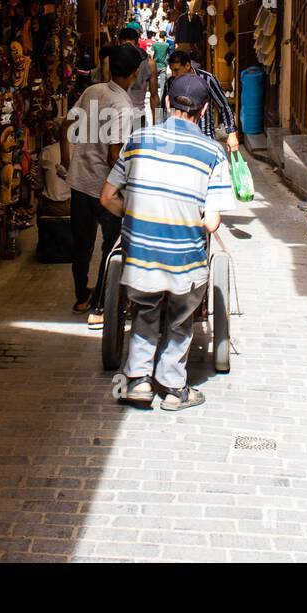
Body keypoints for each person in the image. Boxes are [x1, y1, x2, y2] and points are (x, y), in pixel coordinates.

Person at [100, 73, 236, 411]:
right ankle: (174, 387)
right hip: (183, 264)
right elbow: (212, 221)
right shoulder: (213, 152)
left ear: (166, 103)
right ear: (204, 110)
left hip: (140, 258)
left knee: (145, 310)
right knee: (180, 317)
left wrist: (136, 215)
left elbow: (107, 197)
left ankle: (138, 382)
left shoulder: (138, 139)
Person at [62, 43, 145, 315]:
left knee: (82, 244)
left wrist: (67, 159)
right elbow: (114, 155)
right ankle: (99, 301)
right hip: (104, 186)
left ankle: (80, 297)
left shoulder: (91, 91)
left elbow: (66, 124)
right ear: (134, 73)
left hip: (79, 181)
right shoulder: (122, 104)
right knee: (111, 245)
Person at [166, 49, 238, 153]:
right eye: (172, 70)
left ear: (187, 65)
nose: (173, 74)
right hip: (179, 138)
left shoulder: (208, 79)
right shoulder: (171, 82)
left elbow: (223, 105)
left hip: (205, 137)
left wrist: (231, 133)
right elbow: (164, 110)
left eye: (176, 70)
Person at [117, 26, 157, 129]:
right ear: (136, 42)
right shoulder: (149, 63)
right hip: (138, 117)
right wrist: (156, 126)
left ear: (119, 42)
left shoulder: (111, 60)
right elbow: (154, 95)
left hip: (117, 116)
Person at [38, 120, 71, 217]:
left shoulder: (46, 152)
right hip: (70, 205)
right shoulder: (76, 150)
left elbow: (39, 183)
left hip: (52, 206)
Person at [150, 30, 170, 123]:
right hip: (163, 67)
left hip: (155, 66)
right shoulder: (166, 45)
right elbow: (168, 55)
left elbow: (152, 55)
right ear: (165, 37)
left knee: (153, 86)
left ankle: (154, 101)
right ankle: (162, 103)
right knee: (163, 86)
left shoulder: (155, 45)